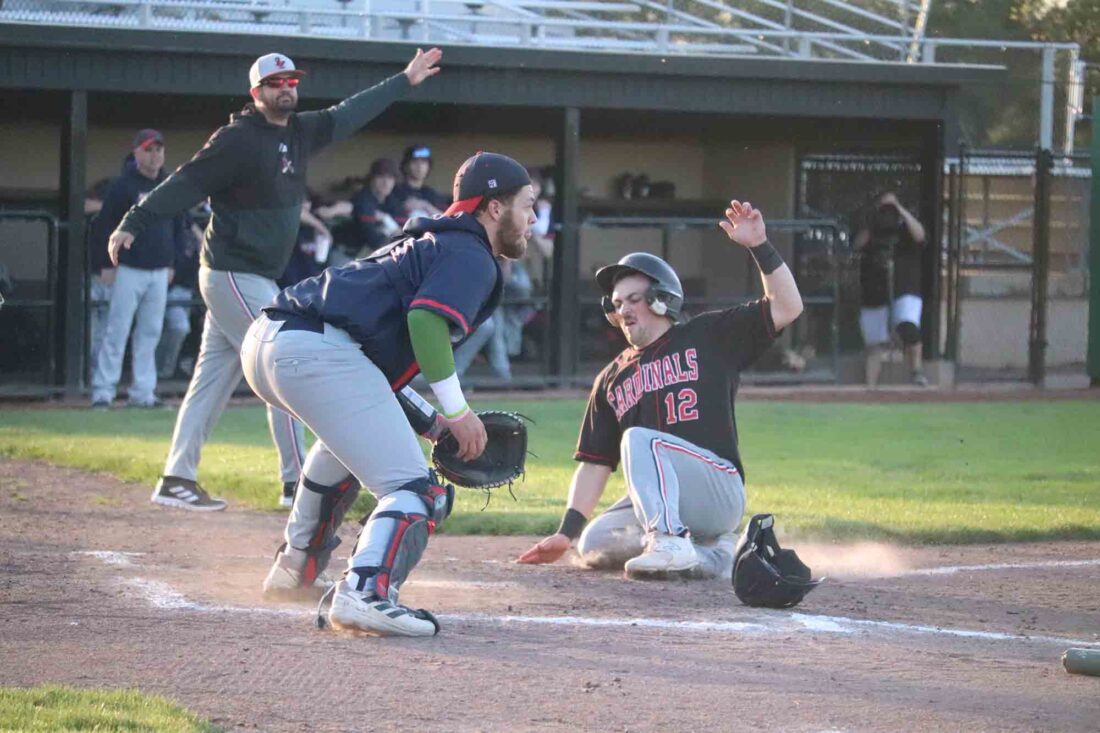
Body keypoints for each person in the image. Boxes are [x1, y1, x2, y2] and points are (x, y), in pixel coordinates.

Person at [107, 48, 443, 511]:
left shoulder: (303, 131)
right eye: (276, 83)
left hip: (252, 276)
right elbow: (187, 181)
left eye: (291, 82)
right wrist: (134, 220)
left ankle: (175, 477)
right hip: (232, 271)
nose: (286, 89)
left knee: (211, 382)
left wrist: (404, 79)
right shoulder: (237, 138)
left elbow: (351, 112)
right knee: (285, 359)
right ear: (256, 92)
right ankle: (294, 483)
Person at [241, 152, 536, 636]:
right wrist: (457, 412)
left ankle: (297, 569)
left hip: (277, 341)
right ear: (495, 208)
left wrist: (431, 422)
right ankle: (366, 593)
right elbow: (425, 320)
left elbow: (368, 373)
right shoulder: (471, 252)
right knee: (417, 491)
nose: (532, 218)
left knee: (344, 453)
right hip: (315, 349)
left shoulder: (434, 241)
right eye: (527, 205)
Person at [518, 200, 804, 580]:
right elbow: (594, 463)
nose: (623, 310)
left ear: (661, 300)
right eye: (617, 303)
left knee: (641, 440)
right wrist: (565, 533)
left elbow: (788, 306)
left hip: (718, 489)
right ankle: (710, 555)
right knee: (595, 543)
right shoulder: (611, 378)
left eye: (634, 299)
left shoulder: (708, 335)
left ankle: (671, 539)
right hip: (669, 498)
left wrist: (759, 246)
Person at [90, 129, 187, 409]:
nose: (154, 155)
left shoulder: (170, 183)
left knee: (150, 332)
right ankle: (103, 391)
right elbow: (105, 226)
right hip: (128, 269)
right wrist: (107, 264)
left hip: (159, 271)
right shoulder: (122, 186)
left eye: (158, 149)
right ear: (136, 153)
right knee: (116, 329)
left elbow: (179, 227)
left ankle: (143, 392)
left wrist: (172, 264)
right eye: (148, 150)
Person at [853, 192, 928, 387]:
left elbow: (920, 235)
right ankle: (871, 387)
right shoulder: (871, 228)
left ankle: (917, 372)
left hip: (905, 288)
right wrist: (874, 218)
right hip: (875, 290)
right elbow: (857, 244)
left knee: (908, 327)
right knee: (875, 343)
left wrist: (899, 209)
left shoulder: (906, 229)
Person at [155, 206, 203, 380]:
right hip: (163, 283)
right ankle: (159, 373)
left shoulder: (190, 217)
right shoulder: (170, 207)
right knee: (176, 326)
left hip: (186, 287)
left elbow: (204, 243)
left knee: (180, 328)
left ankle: (164, 373)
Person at [386, 144, 450, 225]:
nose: (419, 166)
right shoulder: (395, 192)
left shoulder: (430, 193)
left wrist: (425, 206)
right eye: (414, 162)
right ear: (406, 166)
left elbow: (445, 220)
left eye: (423, 162)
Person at [351, 157, 402, 253]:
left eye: (390, 178)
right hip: (349, 254)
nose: (386, 182)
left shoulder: (392, 200)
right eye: (381, 177)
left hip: (374, 253)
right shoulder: (363, 199)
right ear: (372, 179)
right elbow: (373, 239)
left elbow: (407, 231)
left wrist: (386, 219)